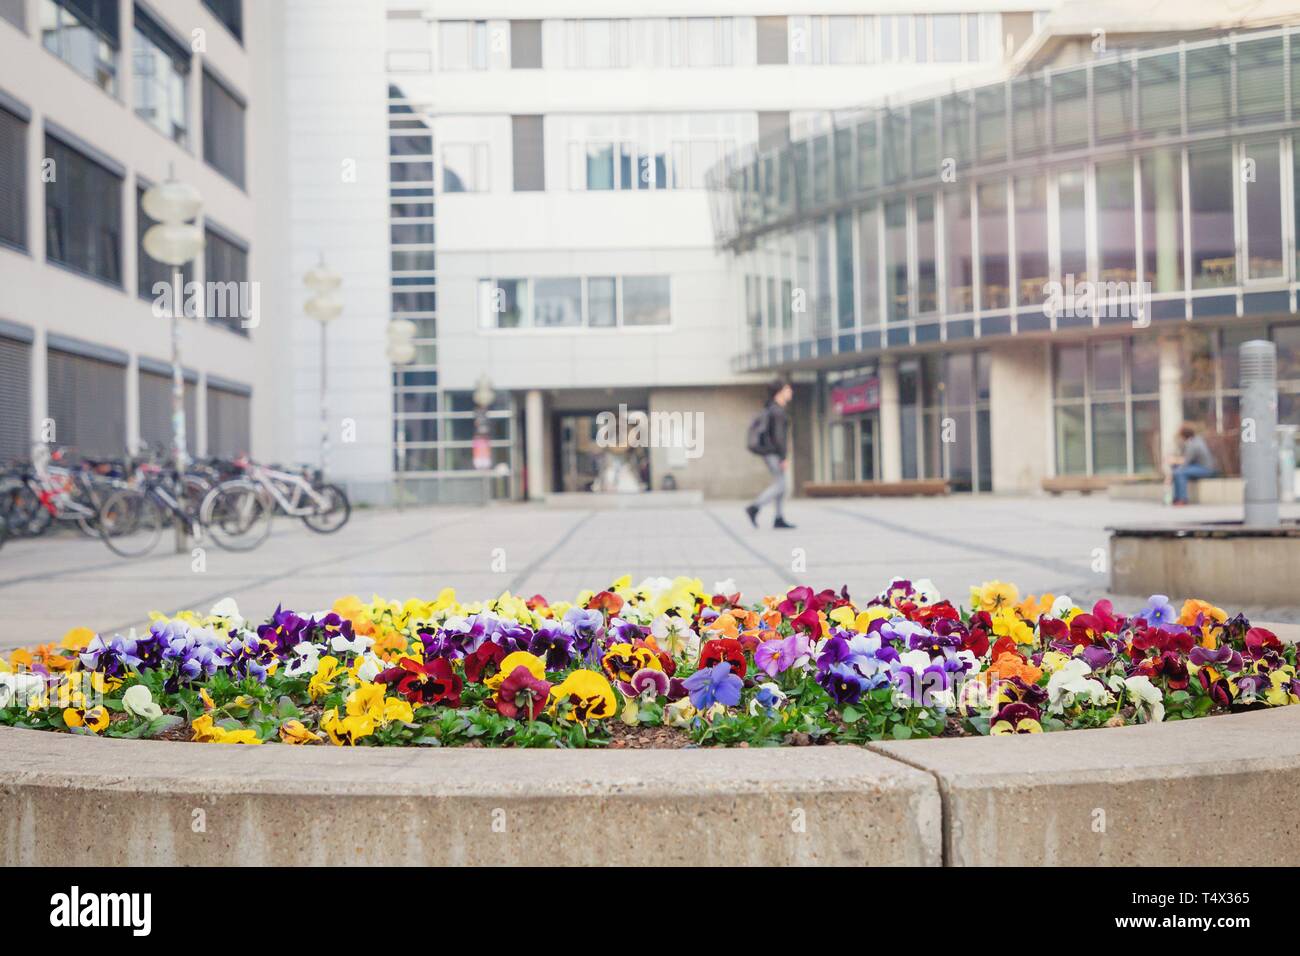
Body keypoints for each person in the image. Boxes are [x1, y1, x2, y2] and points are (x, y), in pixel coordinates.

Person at [745, 379, 795, 530]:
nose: (790, 392)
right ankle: (754, 507)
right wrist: (783, 457)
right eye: (787, 389)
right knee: (781, 485)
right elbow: (779, 437)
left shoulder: (770, 408)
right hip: (773, 453)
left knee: (781, 484)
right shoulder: (777, 411)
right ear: (779, 392)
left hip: (770, 452)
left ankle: (778, 518)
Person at [1169, 422, 1219, 506]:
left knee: (1179, 472)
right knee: (1177, 471)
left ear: (1184, 434)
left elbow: (1186, 462)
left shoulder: (1193, 444)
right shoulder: (1195, 440)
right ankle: (1176, 498)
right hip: (1198, 467)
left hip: (1205, 469)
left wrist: (1174, 461)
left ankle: (1182, 499)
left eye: (1180, 434)